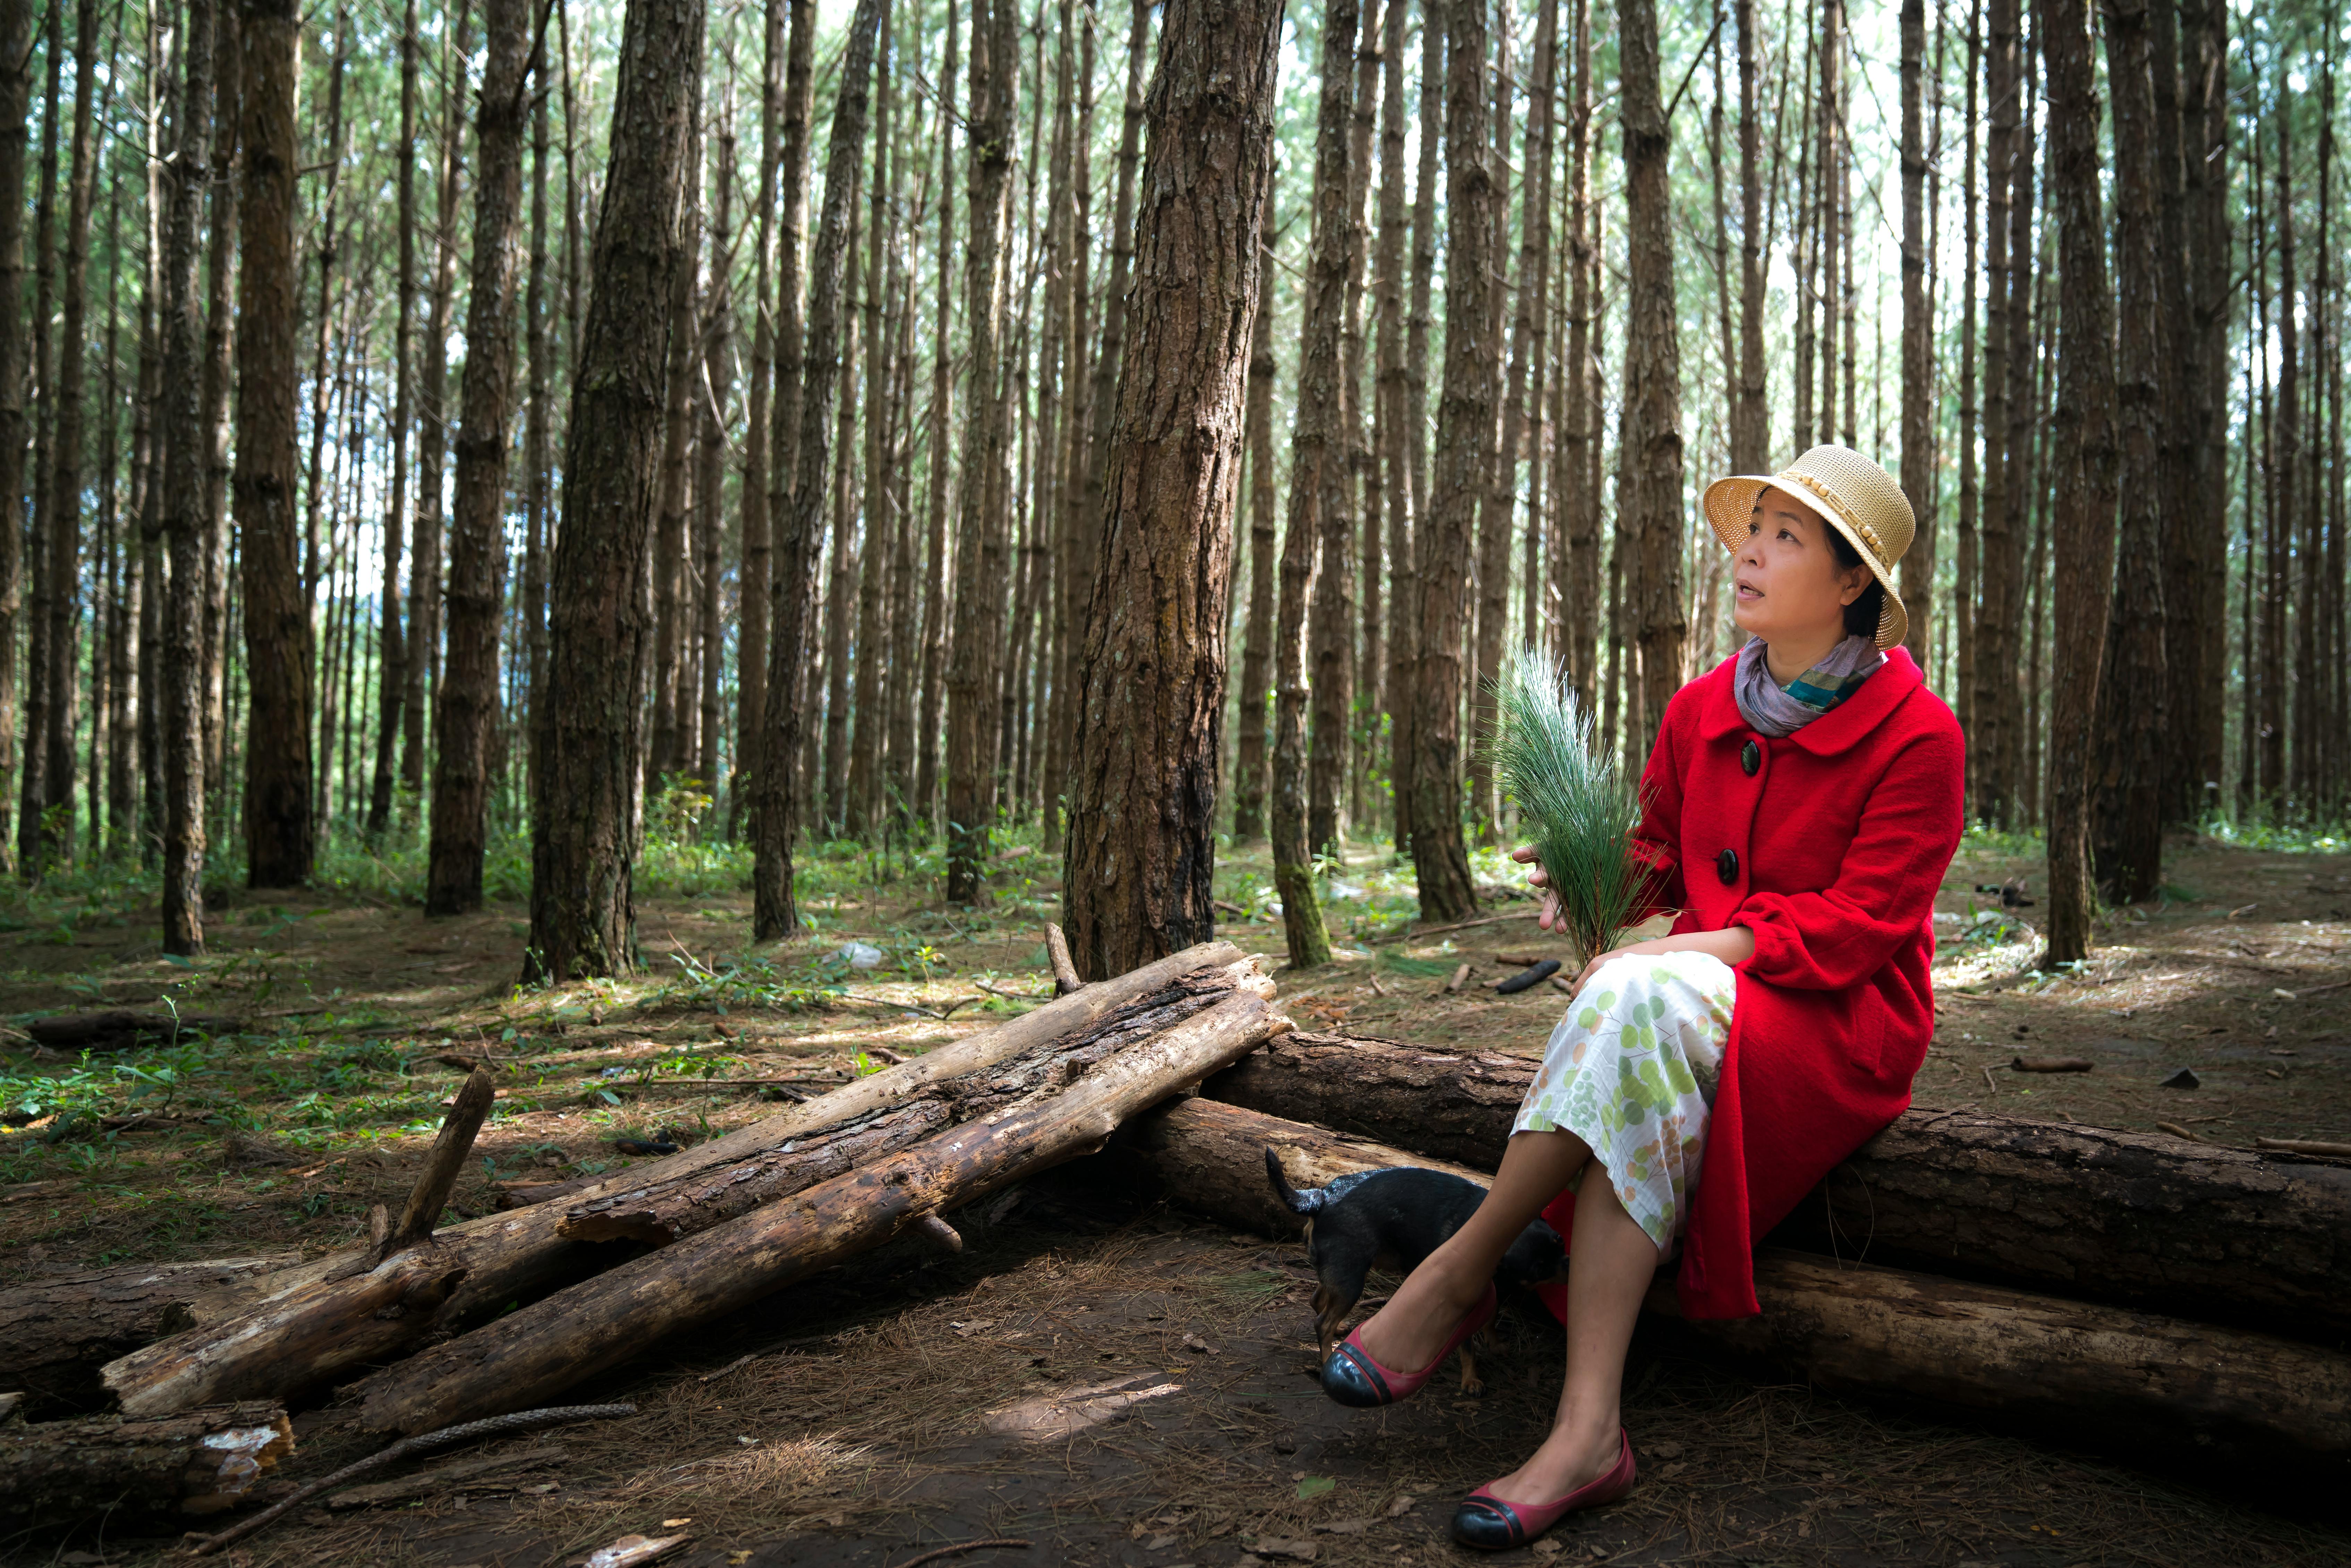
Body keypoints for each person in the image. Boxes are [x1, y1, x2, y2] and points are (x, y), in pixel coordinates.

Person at [1318, 445, 1965, 1550]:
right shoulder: (1703, 705)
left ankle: (1459, 1267)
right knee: (1643, 1014)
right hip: (1693, 1006)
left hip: (1838, 1021)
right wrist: (1596, 888)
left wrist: (1691, 948)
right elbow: (1660, 853)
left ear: (1853, 582)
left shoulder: (1920, 734)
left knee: (1647, 999)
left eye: (1785, 536)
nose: (1749, 551)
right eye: (1751, 526)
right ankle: (1587, 1434)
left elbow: (1864, 926)